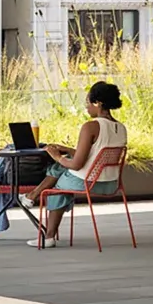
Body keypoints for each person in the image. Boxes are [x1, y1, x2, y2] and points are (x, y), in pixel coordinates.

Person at [20, 81, 128, 247]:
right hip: (111, 184)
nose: (86, 107)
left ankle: (48, 236)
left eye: (87, 102)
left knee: (57, 187)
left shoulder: (91, 126)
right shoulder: (121, 128)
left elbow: (77, 165)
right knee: (60, 168)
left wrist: (57, 156)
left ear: (98, 103)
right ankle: (31, 197)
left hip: (88, 182)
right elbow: (96, 155)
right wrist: (67, 150)